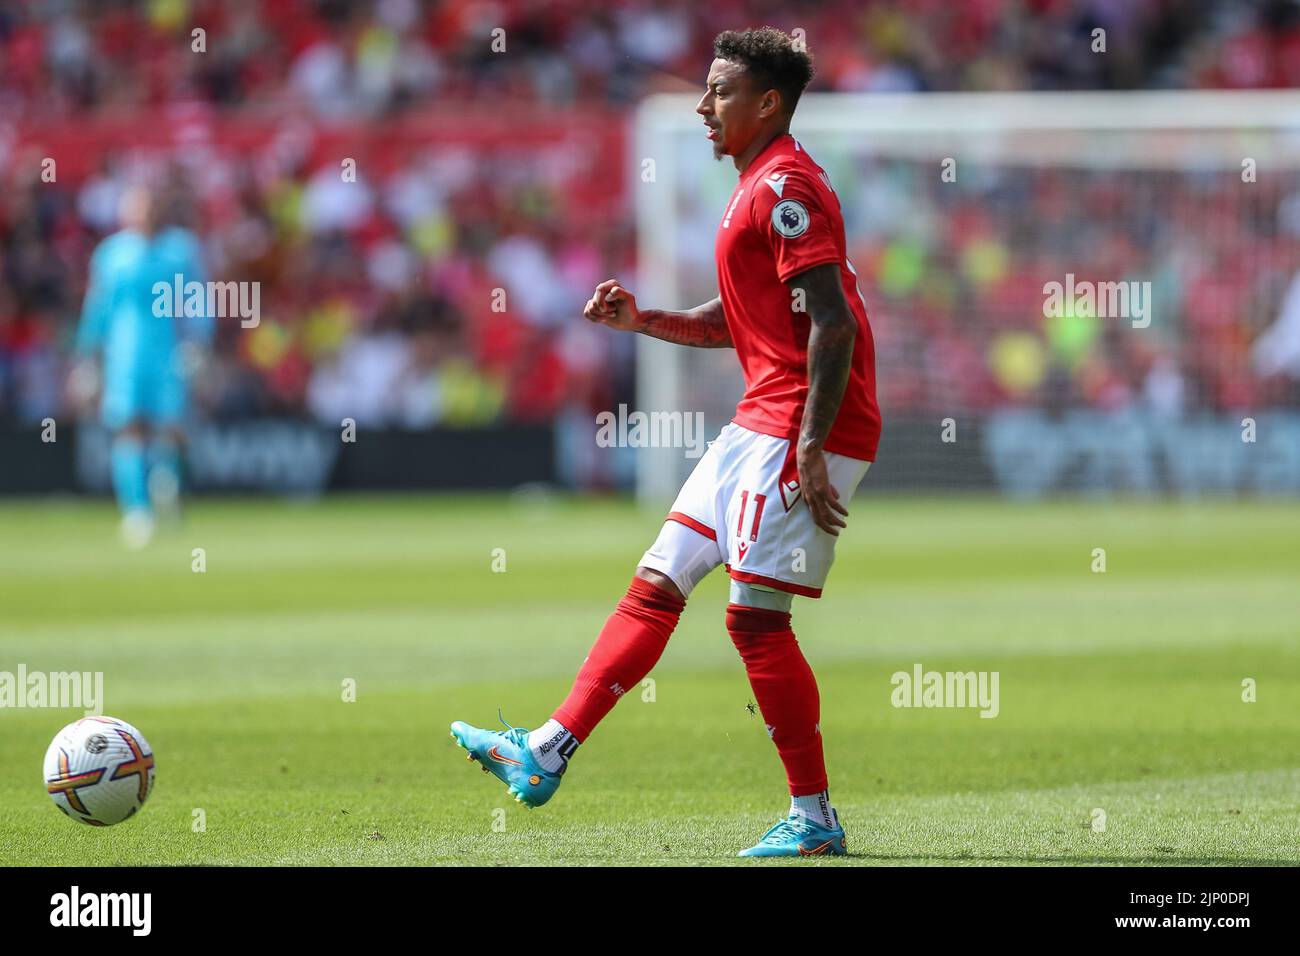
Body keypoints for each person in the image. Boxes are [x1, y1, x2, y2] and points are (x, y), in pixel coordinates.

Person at [451, 26, 881, 857]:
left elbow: (833, 326)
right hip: (760, 418)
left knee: (757, 623)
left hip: (796, 423)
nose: (701, 104)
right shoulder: (752, 186)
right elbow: (743, 321)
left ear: (767, 102)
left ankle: (815, 817)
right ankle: (544, 752)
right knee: (658, 579)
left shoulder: (785, 186)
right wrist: (642, 318)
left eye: (719, 91)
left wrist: (814, 444)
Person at [73, 185, 211, 547]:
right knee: (129, 427)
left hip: (167, 352)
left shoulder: (180, 250)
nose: (144, 213)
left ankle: (168, 483)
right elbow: (99, 306)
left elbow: (197, 299)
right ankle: (137, 511)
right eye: (137, 206)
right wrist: (88, 354)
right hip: (125, 355)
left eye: (149, 205)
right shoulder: (113, 254)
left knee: (171, 429)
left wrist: (197, 343)